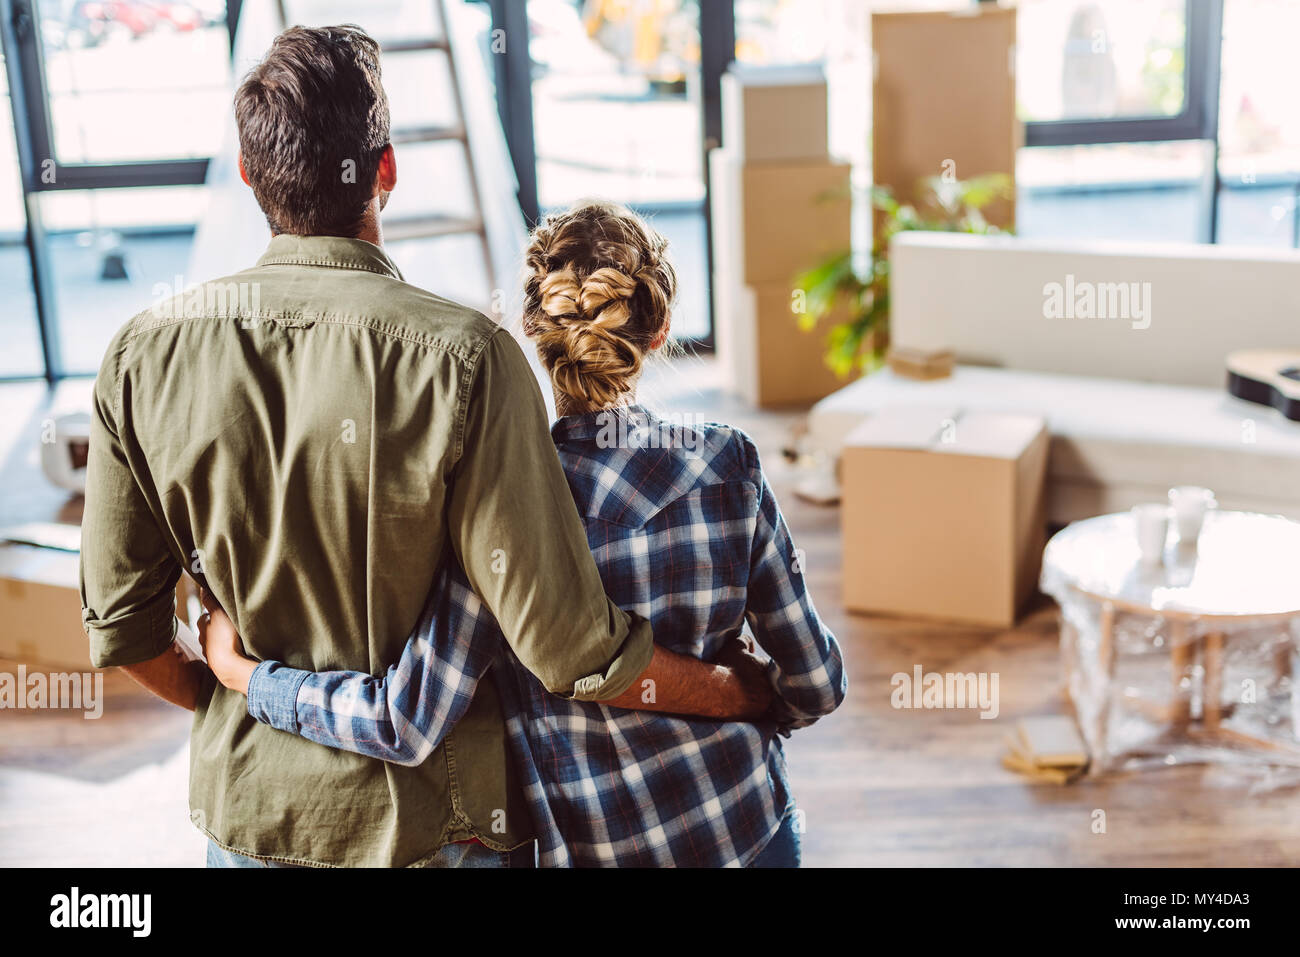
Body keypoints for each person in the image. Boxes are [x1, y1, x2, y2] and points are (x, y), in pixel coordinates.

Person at [78, 26, 771, 870]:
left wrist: (236, 697)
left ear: (249, 175)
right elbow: (570, 649)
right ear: (387, 170)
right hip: (438, 829)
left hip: (251, 818)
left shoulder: (141, 354)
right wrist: (739, 691)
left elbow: (122, 626)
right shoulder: (468, 359)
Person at [198, 200, 847, 867]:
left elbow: (404, 719)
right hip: (748, 828)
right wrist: (753, 695)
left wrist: (247, 675)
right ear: (660, 333)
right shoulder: (727, 462)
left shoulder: (499, 502)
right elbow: (818, 680)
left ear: (534, 332)